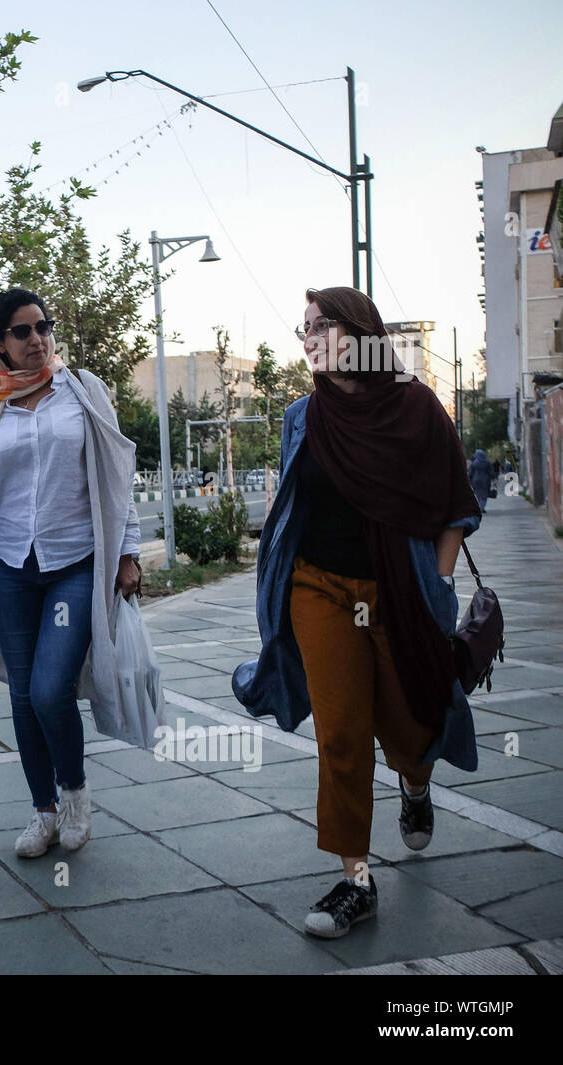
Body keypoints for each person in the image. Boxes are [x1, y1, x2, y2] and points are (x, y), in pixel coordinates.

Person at [233, 287, 482, 939]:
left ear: (361, 331)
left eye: (322, 324)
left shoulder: (416, 407)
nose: (309, 336)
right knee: (340, 733)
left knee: (407, 726)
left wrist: (440, 581)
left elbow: (456, 504)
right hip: (317, 587)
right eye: (303, 328)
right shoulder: (302, 416)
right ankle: (357, 882)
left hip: (394, 592)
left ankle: (416, 783)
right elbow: (292, 498)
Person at [0, 288, 142, 858]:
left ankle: (74, 792)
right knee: (23, 696)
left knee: (51, 690)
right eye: (22, 332)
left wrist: (127, 552)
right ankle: (43, 811)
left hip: (73, 564)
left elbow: (116, 477)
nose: (37, 340)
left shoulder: (82, 391)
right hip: (8, 568)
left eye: (43, 327)